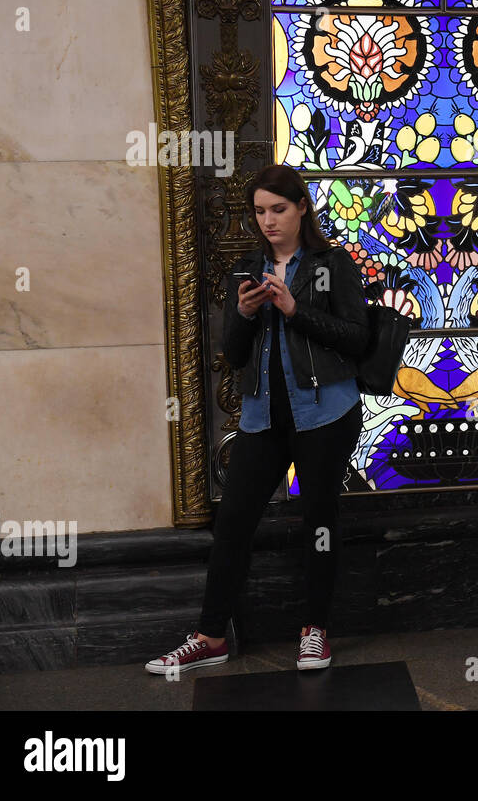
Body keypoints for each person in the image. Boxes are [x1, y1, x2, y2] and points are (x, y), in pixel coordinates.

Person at [144, 165, 368, 675]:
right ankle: (210, 636)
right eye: (260, 211)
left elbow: (355, 338)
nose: (268, 220)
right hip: (264, 414)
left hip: (326, 413)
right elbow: (235, 356)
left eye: (279, 209)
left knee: (319, 523)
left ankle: (315, 633)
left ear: (302, 208)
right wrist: (243, 315)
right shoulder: (246, 268)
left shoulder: (330, 264)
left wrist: (294, 309)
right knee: (234, 523)